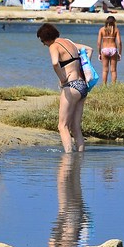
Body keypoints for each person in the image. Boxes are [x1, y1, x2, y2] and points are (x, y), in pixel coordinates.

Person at [37, 24, 91, 152]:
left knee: (62, 126)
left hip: (71, 86)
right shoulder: (68, 42)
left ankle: (68, 159)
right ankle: (79, 160)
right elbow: (89, 49)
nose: (43, 44)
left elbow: (55, 63)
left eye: (42, 40)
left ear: (47, 38)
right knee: (76, 126)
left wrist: (62, 79)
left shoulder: (53, 46)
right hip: (82, 86)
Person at [97, 15, 122, 84]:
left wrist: (99, 53)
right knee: (113, 70)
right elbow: (119, 42)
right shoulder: (116, 30)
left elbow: (99, 43)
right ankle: (114, 86)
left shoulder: (102, 29)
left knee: (105, 70)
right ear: (114, 22)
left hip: (104, 50)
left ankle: (104, 85)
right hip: (113, 49)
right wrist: (119, 53)